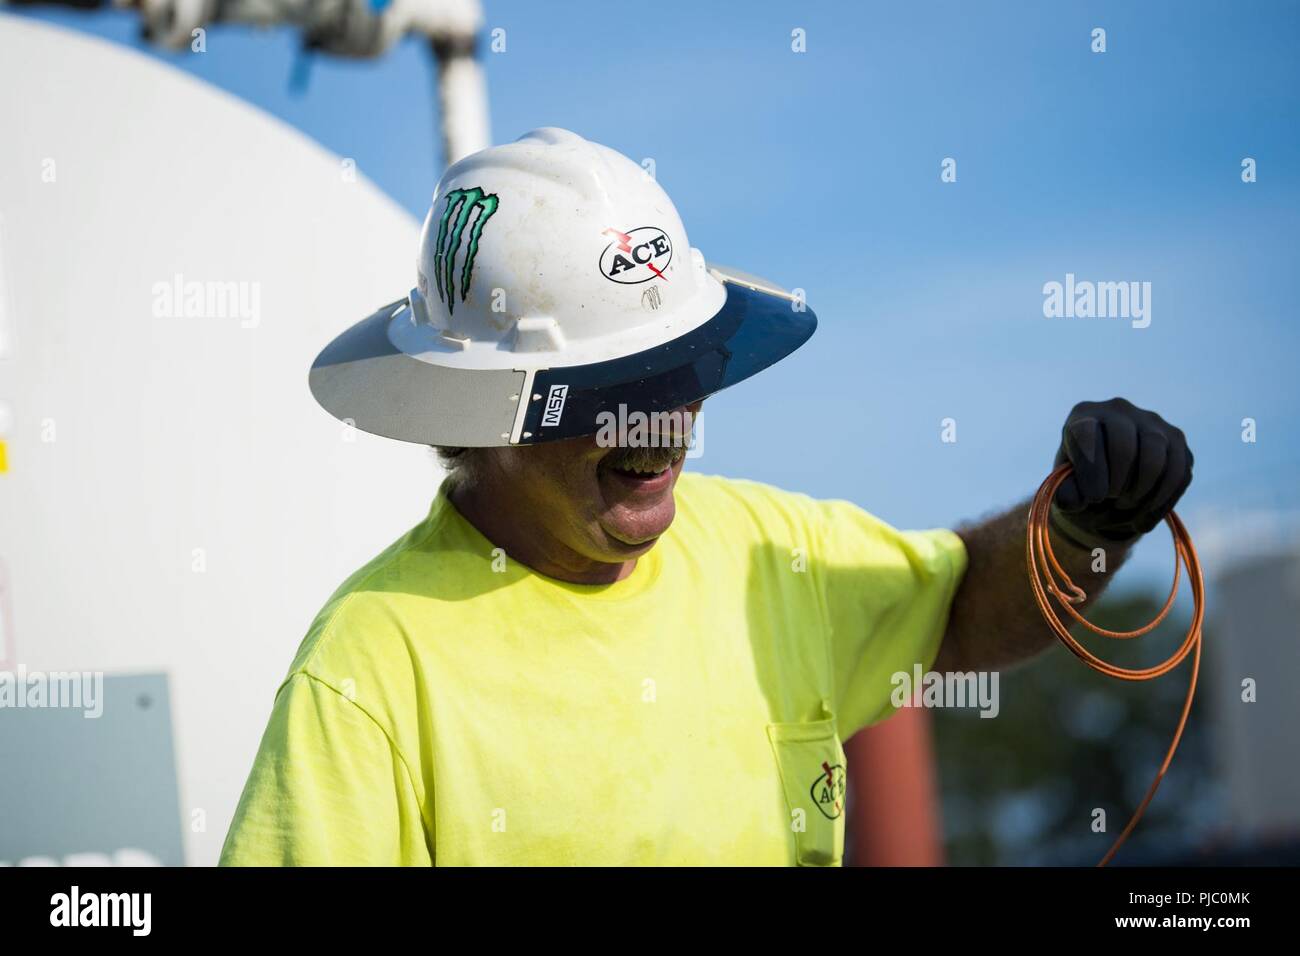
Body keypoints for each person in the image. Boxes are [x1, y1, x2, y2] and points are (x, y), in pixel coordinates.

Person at [219, 129, 1193, 866]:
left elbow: (965, 612)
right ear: (486, 411)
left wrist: (1081, 529)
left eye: (679, 369)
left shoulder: (770, 550)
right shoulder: (368, 668)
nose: (663, 425)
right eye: (612, 390)